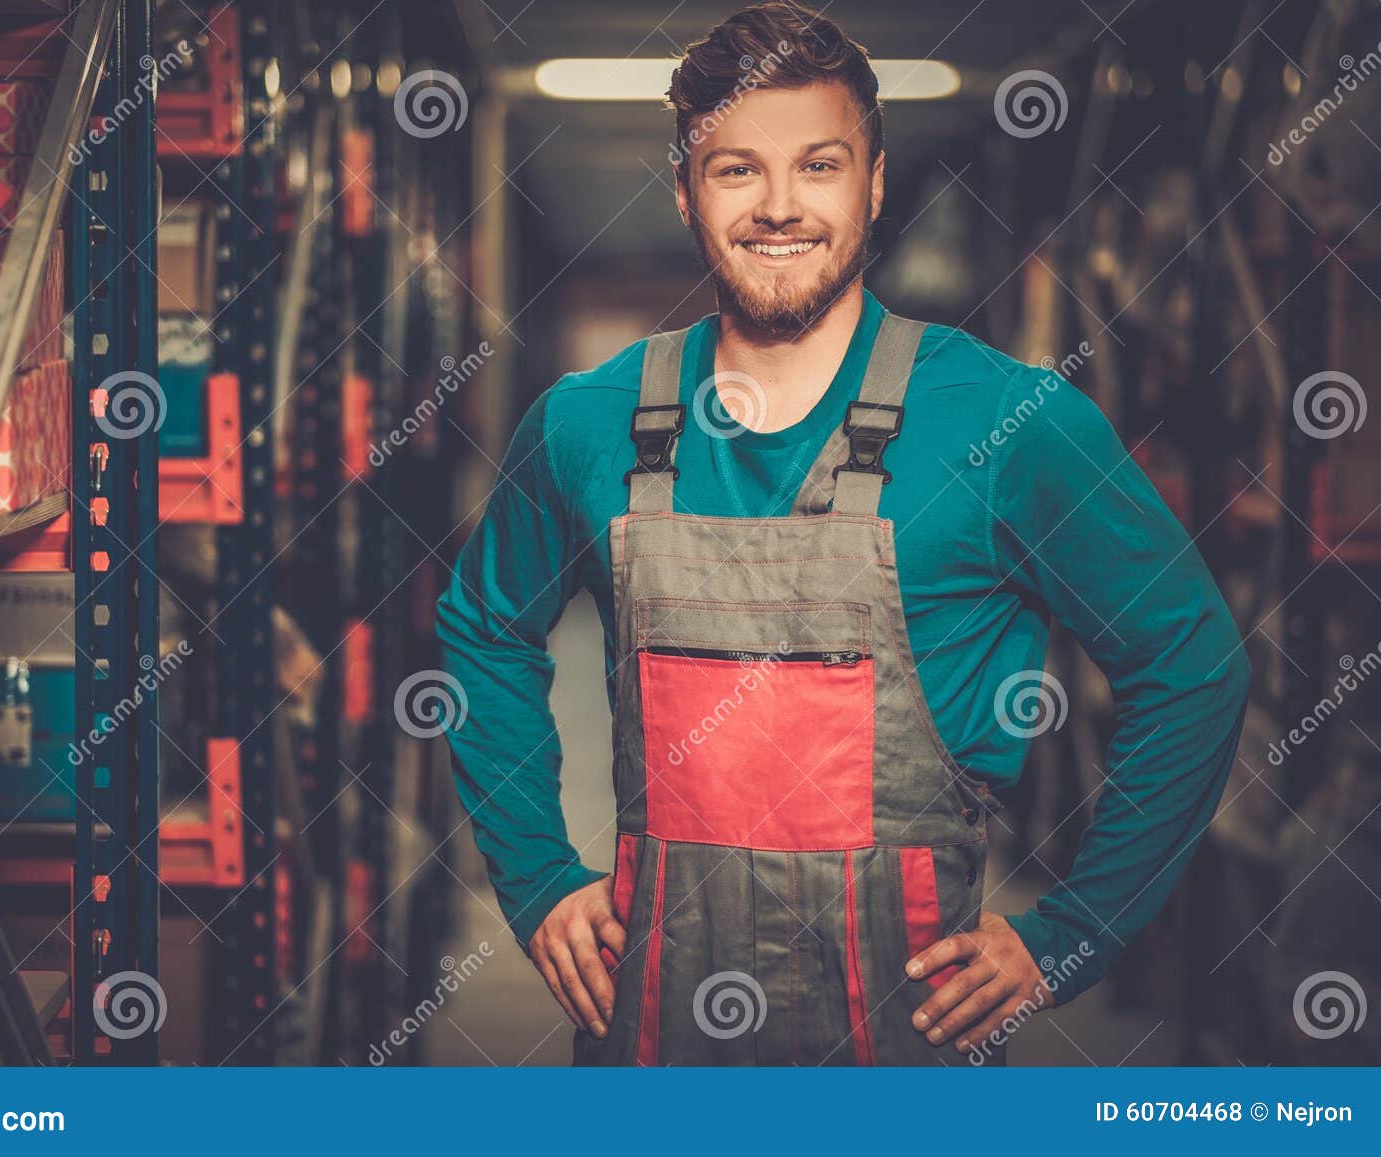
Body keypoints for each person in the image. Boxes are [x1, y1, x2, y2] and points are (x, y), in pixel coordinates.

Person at [436, 0, 1250, 1065]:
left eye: (817, 165)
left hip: (905, 1056)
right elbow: (482, 626)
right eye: (735, 170)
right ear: (685, 189)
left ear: (870, 185)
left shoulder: (1006, 425)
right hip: (648, 1051)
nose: (779, 206)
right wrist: (539, 875)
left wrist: (1070, 933)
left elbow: (1190, 666)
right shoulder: (586, 422)